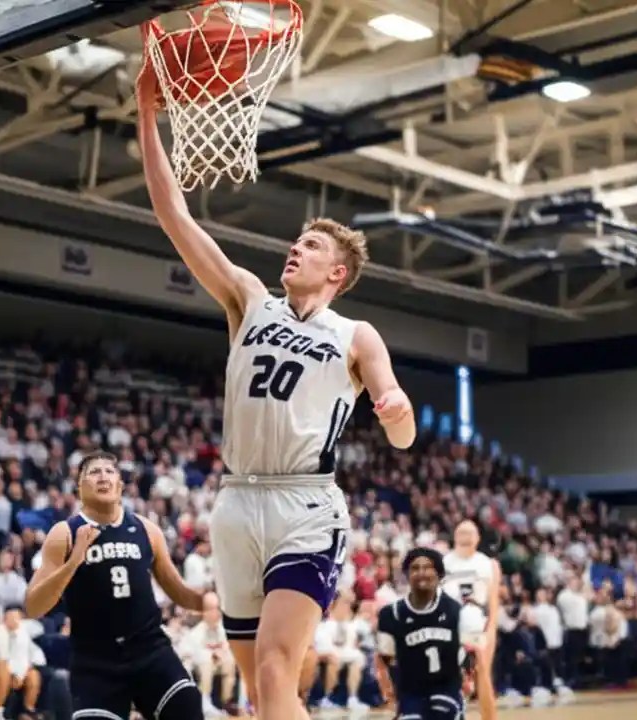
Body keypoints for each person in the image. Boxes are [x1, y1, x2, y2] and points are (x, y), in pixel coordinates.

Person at [137, 65, 415, 720]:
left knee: (273, 665)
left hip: (306, 506)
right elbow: (172, 214)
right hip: (235, 505)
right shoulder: (248, 300)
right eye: (295, 242)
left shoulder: (356, 333)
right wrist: (148, 116)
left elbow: (400, 433)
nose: (295, 250)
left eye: (310, 246)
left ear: (337, 271)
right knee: (266, 693)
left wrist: (396, 411)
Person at [25, 451, 206, 720]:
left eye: (109, 471)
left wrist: (217, 602)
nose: (103, 476)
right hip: (96, 661)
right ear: (80, 487)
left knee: (187, 705)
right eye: (94, 472)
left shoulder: (147, 529)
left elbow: (177, 590)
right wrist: (73, 561)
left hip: (149, 650)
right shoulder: (64, 533)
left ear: (120, 485)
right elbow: (33, 606)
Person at [375, 548, 465, 719]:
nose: (421, 573)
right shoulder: (391, 614)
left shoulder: (455, 610)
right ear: (407, 574)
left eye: (427, 567)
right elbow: (383, 659)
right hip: (410, 693)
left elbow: (469, 655)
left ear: (439, 574)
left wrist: (469, 680)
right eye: (415, 568)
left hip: (447, 690)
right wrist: (388, 692)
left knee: (442, 710)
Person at [441, 520, 499, 720]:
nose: (465, 536)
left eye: (470, 532)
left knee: (483, 676)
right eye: (461, 532)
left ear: (478, 538)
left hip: (478, 624)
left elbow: (494, 603)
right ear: (455, 536)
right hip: (449, 625)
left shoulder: (489, 564)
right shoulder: (443, 562)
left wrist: (491, 631)